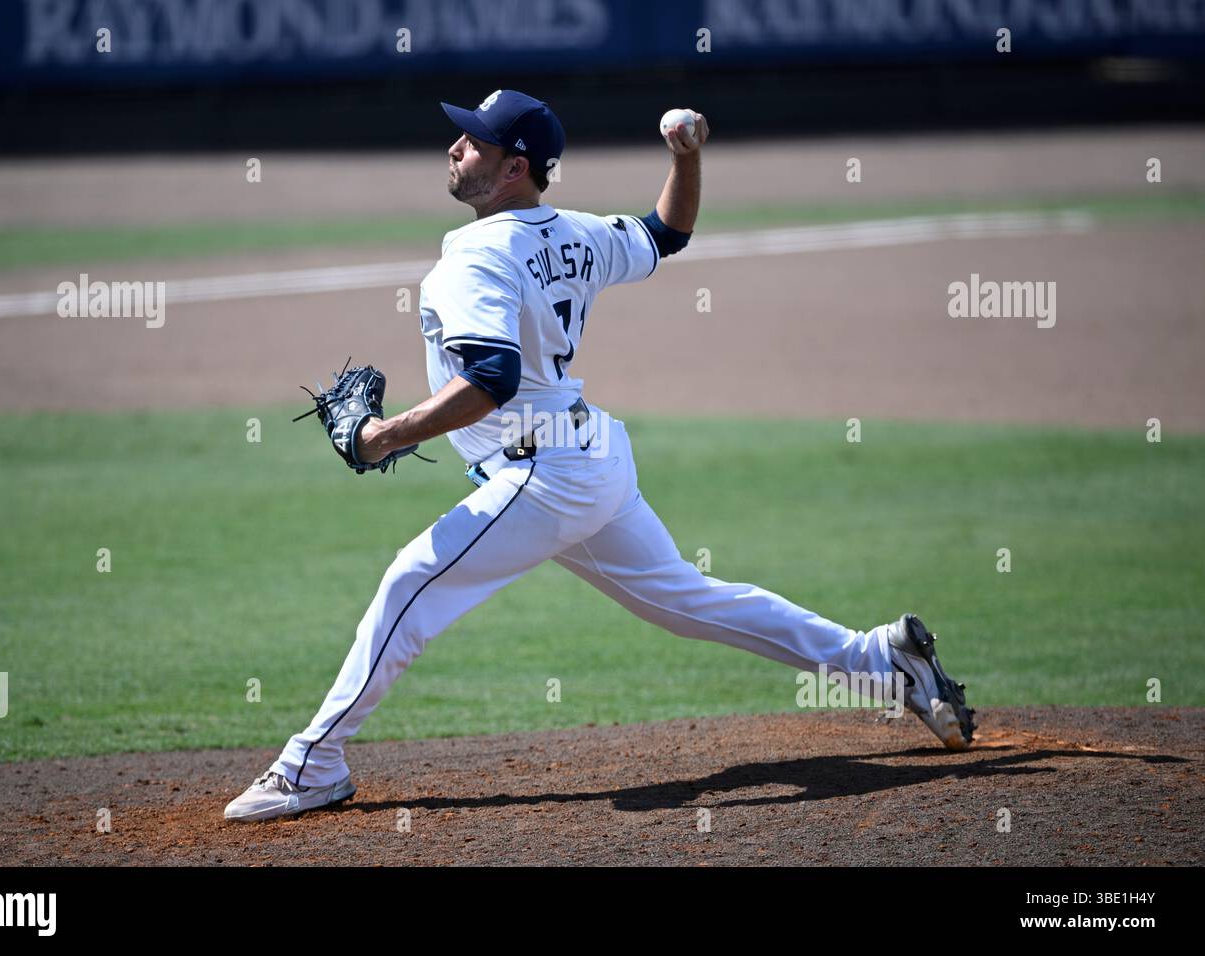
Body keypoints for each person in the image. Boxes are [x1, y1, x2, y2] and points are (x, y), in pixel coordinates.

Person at [225, 90, 975, 822]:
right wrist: (686, 157)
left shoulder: (472, 258)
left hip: (543, 473)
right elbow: (667, 232)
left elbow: (492, 378)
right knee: (689, 601)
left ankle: (310, 766)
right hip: (589, 459)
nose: (455, 147)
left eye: (474, 140)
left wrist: (381, 436)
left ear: (515, 166)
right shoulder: (574, 232)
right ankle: (882, 661)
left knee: (411, 585)